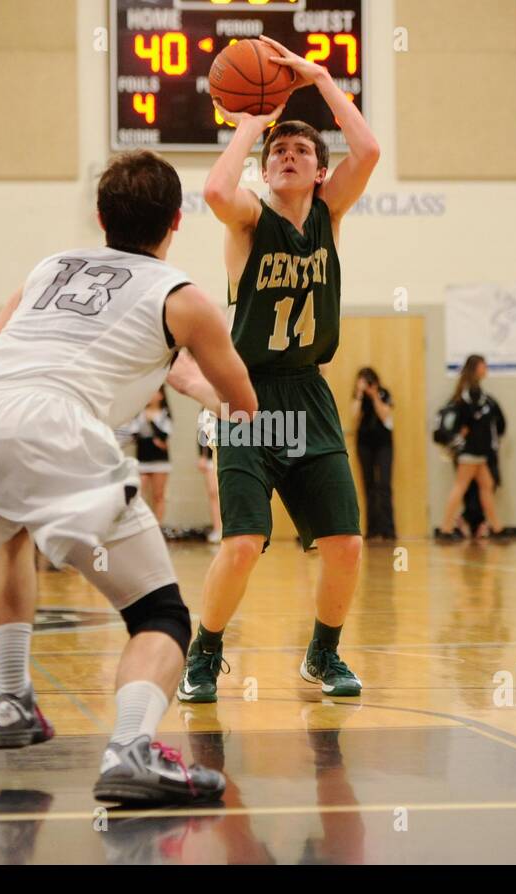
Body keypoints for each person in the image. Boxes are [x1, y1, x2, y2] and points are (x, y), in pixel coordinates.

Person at [0, 149, 256, 805]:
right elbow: (242, 403)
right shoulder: (183, 297)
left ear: (101, 216)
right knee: (160, 614)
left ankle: (13, 699)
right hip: (52, 430)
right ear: (177, 220)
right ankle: (132, 748)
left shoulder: (49, 270)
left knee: (8, 536)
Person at [179, 34, 380, 704]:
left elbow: (370, 149)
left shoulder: (330, 213)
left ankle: (323, 655)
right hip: (250, 395)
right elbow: (213, 187)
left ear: (322, 171)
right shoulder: (247, 219)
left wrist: (320, 77)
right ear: (265, 171)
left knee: (346, 543)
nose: (288, 155)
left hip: (310, 394)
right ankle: (204, 653)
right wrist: (252, 124)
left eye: (302, 151)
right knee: (242, 543)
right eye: (278, 153)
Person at [436, 355, 506, 541]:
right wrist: (461, 438)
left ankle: (497, 528)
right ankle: (445, 529)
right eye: (483, 366)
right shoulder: (467, 395)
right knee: (460, 487)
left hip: (480, 453)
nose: (486, 369)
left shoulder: (479, 394)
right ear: (475, 368)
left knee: (487, 486)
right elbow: (460, 422)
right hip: (470, 452)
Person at [352, 367, 396, 541]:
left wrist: (374, 395)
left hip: (384, 444)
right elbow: (354, 416)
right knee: (368, 485)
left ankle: (389, 529)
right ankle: (372, 529)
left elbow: (385, 416)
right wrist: (360, 393)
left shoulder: (383, 393)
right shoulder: (358, 396)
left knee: (384, 485)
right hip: (364, 444)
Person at [133, 388, 172, 524]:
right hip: (142, 459)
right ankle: (142, 525)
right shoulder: (139, 413)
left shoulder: (165, 414)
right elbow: (134, 434)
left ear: (161, 396)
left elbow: (164, 436)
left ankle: (158, 526)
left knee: (158, 495)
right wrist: (154, 440)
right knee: (139, 495)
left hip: (160, 460)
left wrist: (151, 423)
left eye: (155, 392)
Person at [196, 411, 221, 544]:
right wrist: (202, 456)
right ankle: (218, 529)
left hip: (228, 455)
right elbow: (201, 435)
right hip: (212, 457)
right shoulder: (204, 411)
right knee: (213, 492)